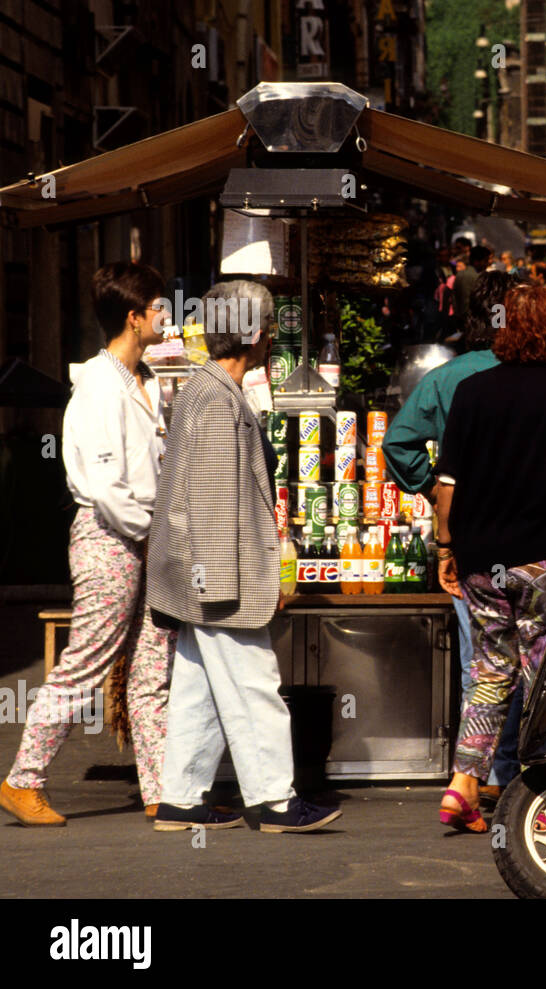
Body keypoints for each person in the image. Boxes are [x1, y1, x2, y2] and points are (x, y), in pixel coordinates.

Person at [147, 281, 340, 833]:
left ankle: (180, 800)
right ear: (255, 334)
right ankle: (275, 802)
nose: (276, 335)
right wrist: (222, 587)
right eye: (272, 325)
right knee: (255, 686)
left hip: (207, 573)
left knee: (199, 688)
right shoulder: (213, 396)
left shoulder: (211, 389)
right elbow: (206, 501)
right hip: (216, 576)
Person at [0, 263, 175, 828]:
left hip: (146, 537)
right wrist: (148, 534)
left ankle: (161, 787)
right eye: (159, 308)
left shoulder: (144, 378)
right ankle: (23, 780)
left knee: (152, 668)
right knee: (87, 661)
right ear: (134, 316)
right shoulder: (99, 387)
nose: (166, 317)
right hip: (111, 536)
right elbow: (104, 486)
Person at [434, 284, 546, 832]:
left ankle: (463, 784)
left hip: (482, 559)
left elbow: (447, 483)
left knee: (491, 669)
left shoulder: (471, 390)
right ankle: (542, 798)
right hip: (545, 560)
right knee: (545, 675)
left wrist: (446, 546)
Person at [384, 271, 524, 799]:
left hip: (470, 539)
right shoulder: (541, 372)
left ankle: (479, 772)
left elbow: (399, 445)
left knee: (483, 662)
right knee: (534, 660)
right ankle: (514, 769)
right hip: (538, 542)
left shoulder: (448, 378)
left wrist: (435, 492)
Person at [453, 245, 492, 333]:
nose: (487, 263)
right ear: (476, 262)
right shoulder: (477, 277)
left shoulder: (459, 275)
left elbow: (455, 300)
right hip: (473, 324)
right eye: (485, 261)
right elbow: (467, 304)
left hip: (462, 322)